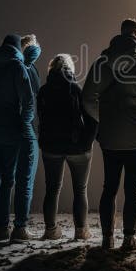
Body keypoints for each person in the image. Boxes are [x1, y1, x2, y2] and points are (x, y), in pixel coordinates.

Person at [82, 31, 136, 252]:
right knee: (132, 191)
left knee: (109, 188)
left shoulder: (101, 65)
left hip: (109, 137)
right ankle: (129, 239)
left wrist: (103, 118)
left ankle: (107, 239)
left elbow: (87, 98)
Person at [0, 34, 35, 243]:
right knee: (8, 180)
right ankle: (2, 228)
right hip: (11, 130)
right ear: (18, 48)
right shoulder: (16, 66)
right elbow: (28, 101)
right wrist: (23, 123)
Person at [38, 53, 97, 240]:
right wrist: (86, 143)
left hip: (51, 148)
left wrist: (43, 141)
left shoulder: (44, 90)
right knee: (80, 190)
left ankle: (50, 230)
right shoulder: (75, 88)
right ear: (70, 68)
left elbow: (41, 119)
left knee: (52, 189)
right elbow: (91, 119)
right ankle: (81, 231)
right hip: (76, 147)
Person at [8, 34, 41, 241]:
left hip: (8, 127)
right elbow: (31, 99)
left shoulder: (9, 67)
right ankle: (19, 226)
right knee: (24, 180)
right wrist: (27, 123)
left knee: (5, 179)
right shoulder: (26, 67)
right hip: (25, 129)